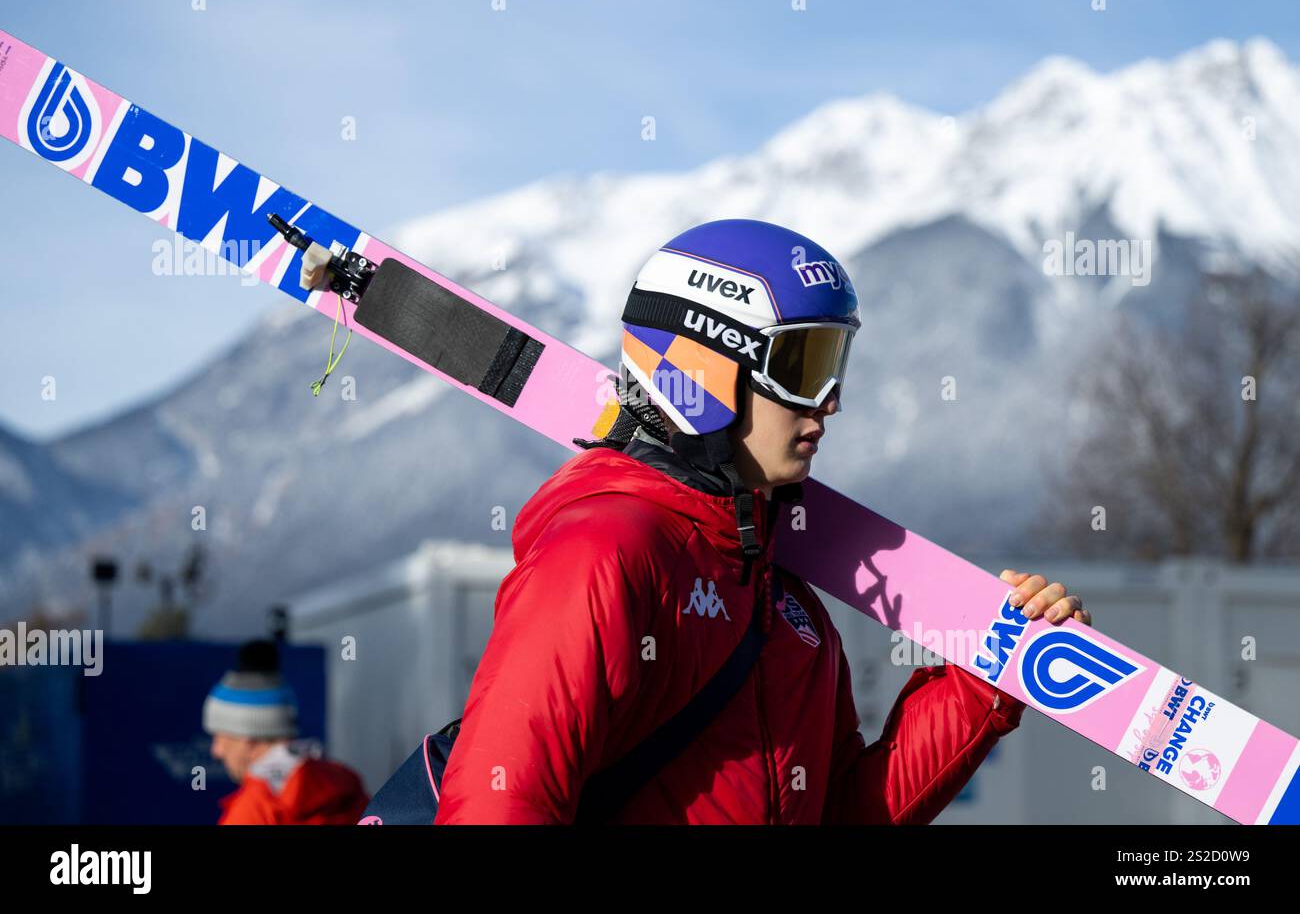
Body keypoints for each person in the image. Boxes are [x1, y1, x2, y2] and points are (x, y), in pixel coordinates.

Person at [436, 219, 1092, 824]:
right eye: (803, 366)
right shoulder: (605, 553)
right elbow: (501, 798)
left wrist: (985, 685)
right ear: (705, 370)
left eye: (834, 365)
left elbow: (842, 817)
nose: (831, 402)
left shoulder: (788, 604)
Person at [204, 639, 370, 825]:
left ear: (247, 739)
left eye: (219, 738)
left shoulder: (254, 810)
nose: (216, 751)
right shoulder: (346, 785)